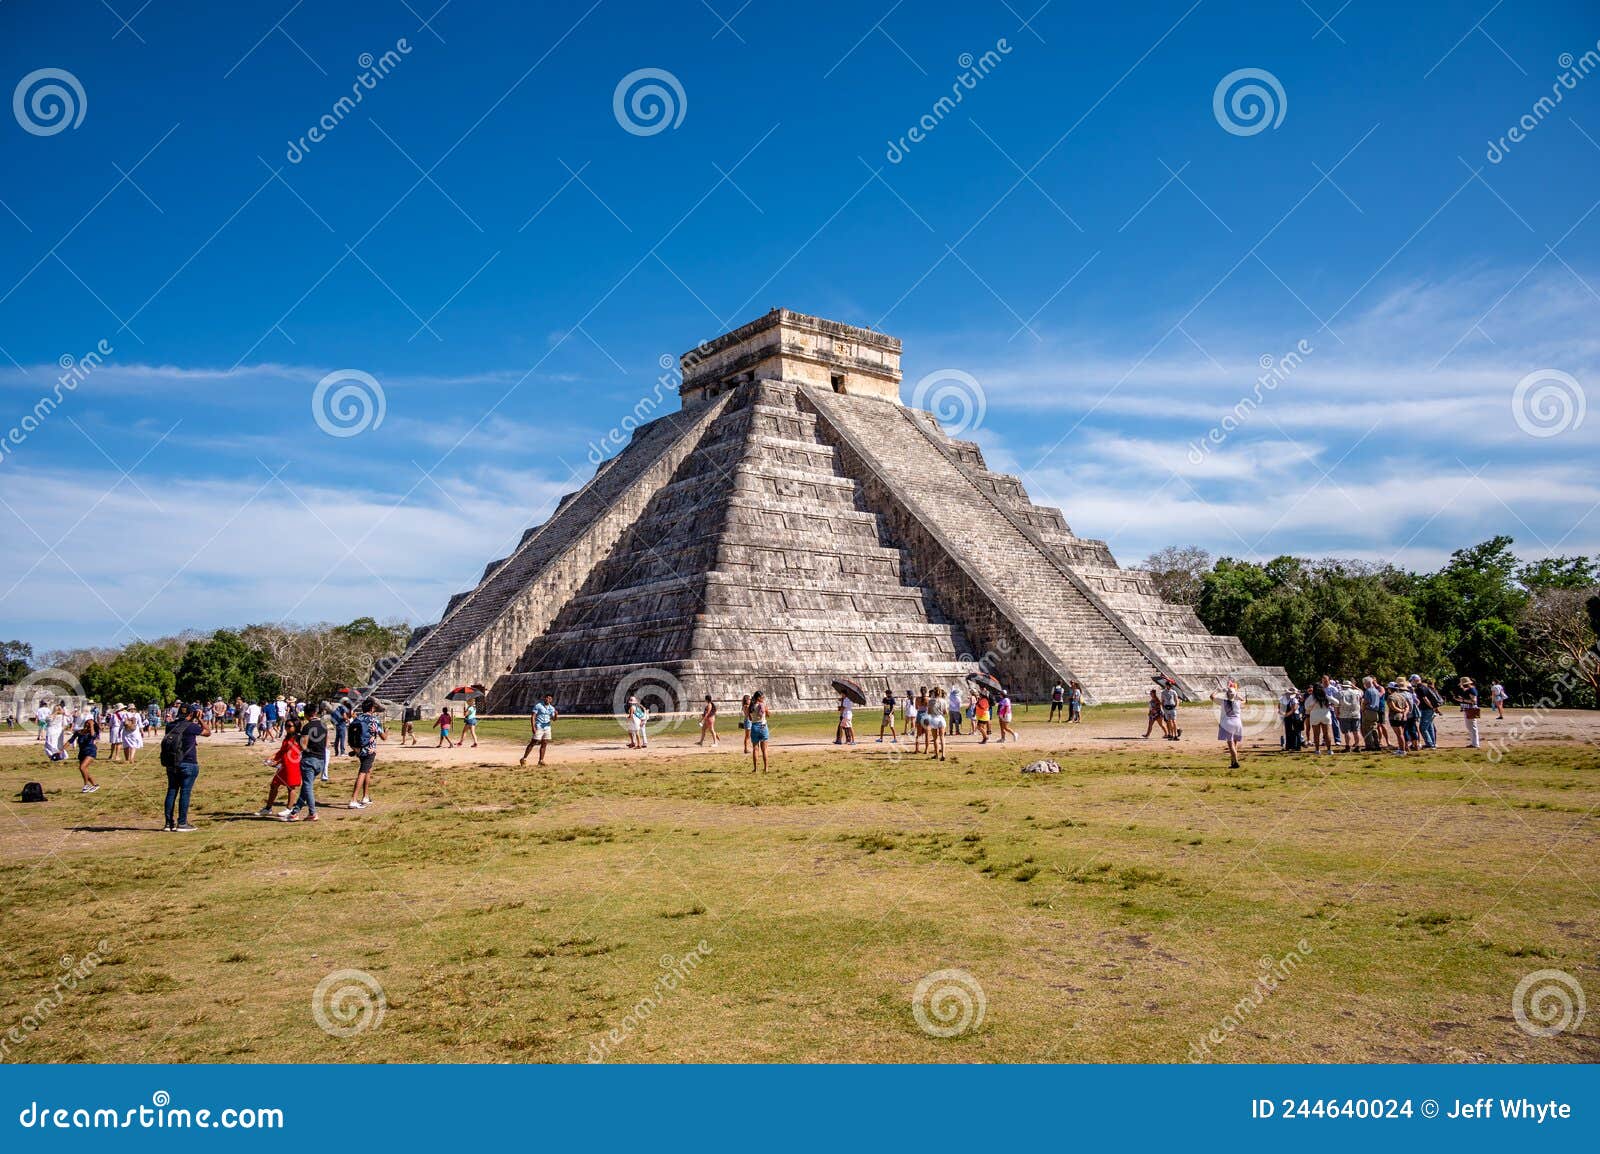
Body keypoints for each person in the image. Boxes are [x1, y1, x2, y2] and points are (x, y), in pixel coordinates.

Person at [163, 705, 209, 831]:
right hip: (188, 762)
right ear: (191, 714)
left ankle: (168, 823)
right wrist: (199, 719)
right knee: (185, 792)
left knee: (171, 791)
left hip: (172, 762)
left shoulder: (170, 726)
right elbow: (207, 732)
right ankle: (182, 823)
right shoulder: (191, 726)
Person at [287, 703, 325, 821]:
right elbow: (326, 744)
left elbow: (303, 745)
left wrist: (297, 738)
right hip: (321, 759)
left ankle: (312, 812)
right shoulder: (323, 726)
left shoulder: (307, 727)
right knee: (306, 786)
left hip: (309, 759)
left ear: (307, 714)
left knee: (308, 786)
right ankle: (295, 811)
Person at [260, 719, 303, 817]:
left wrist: (276, 761)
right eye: (286, 725)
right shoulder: (287, 738)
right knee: (274, 785)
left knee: (291, 787)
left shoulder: (299, 738)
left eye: (289, 726)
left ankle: (289, 809)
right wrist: (271, 758)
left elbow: (294, 753)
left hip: (292, 765)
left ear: (296, 727)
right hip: (283, 765)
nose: (287, 727)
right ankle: (268, 808)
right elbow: (281, 751)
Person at [348, 700, 385, 809]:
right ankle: (353, 799)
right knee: (363, 772)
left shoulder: (357, 719)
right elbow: (384, 737)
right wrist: (386, 731)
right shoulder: (374, 720)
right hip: (369, 749)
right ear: (372, 708)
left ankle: (365, 796)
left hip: (358, 749)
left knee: (367, 770)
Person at [1211, 682, 1246, 769]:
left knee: (1231, 745)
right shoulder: (1238, 703)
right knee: (1235, 744)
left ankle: (1236, 762)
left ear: (1227, 694)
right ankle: (1233, 762)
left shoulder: (1223, 702)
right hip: (1238, 723)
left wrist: (1217, 690)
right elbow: (1244, 700)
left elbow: (1212, 697)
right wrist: (1237, 694)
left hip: (1228, 724)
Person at [520, 694, 558, 766]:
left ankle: (541, 760)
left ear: (551, 700)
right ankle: (524, 759)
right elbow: (533, 716)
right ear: (544, 698)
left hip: (547, 727)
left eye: (550, 698)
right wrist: (533, 727)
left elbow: (554, 719)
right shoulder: (538, 705)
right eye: (547, 698)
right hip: (539, 726)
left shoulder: (552, 708)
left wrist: (556, 715)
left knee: (544, 743)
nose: (548, 699)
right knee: (533, 742)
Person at [69, 710, 100, 793]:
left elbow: (93, 736)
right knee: (84, 770)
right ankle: (95, 785)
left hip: (91, 751)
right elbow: (70, 740)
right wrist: (61, 750)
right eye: (87, 722)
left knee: (82, 767)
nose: (87, 723)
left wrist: (92, 725)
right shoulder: (80, 731)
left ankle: (86, 785)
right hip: (82, 752)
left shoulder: (93, 732)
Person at [1384, 681, 1412, 758]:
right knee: (1401, 734)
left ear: (1390, 689)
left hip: (1395, 717)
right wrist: (1404, 713)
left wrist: (1400, 711)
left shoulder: (1390, 697)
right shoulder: (1402, 696)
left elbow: (1393, 707)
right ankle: (1401, 748)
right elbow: (1407, 706)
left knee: (1399, 735)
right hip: (1403, 717)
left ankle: (1402, 750)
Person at [1415, 675, 1442, 750]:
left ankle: (1429, 744)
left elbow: (1425, 699)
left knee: (1423, 728)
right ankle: (1432, 743)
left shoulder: (1419, 689)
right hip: (1430, 709)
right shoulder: (1426, 687)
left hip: (1426, 710)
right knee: (1430, 727)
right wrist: (1434, 708)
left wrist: (1431, 707)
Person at [1305, 683, 1333, 754]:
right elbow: (1337, 702)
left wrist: (1312, 705)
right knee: (1327, 733)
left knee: (1316, 734)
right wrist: (1330, 704)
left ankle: (1317, 750)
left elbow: (1306, 707)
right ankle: (1329, 750)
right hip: (1325, 715)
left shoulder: (1312, 697)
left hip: (1315, 716)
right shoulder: (1325, 696)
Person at [1454, 677, 1481, 749]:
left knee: (1472, 726)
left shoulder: (1471, 690)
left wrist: (1462, 699)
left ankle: (1475, 744)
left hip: (1471, 708)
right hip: (1469, 708)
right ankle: (1474, 743)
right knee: (1470, 726)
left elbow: (1473, 701)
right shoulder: (1470, 689)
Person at [747, 690, 771, 773]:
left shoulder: (751, 706)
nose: (763, 698)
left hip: (754, 727)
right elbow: (769, 715)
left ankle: (755, 768)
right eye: (762, 697)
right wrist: (766, 710)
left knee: (755, 749)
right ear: (758, 698)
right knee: (764, 749)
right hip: (763, 726)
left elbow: (749, 718)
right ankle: (766, 768)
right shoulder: (763, 705)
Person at [1337, 680, 1362, 752]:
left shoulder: (1340, 693)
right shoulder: (1357, 692)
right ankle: (1357, 746)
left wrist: (1337, 713)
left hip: (1344, 714)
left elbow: (1337, 705)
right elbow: (1361, 692)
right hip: (1356, 714)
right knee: (1356, 731)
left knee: (1346, 732)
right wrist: (1354, 686)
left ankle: (1348, 746)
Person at [925, 685, 947, 761]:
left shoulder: (930, 701)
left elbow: (928, 712)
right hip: (941, 718)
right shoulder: (943, 700)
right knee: (942, 737)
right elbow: (945, 712)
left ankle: (937, 754)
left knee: (935, 738)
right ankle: (943, 754)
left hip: (934, 719)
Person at [1280, 687, 1303, 752]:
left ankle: (1297, 746)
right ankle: (1289, 746)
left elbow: (1294, 708)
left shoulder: (1294, 699)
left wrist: (1287, 714)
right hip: (1288, 716)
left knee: (1297, 731)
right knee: (1288, 731)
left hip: (1295, 716)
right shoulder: (1284, 699)